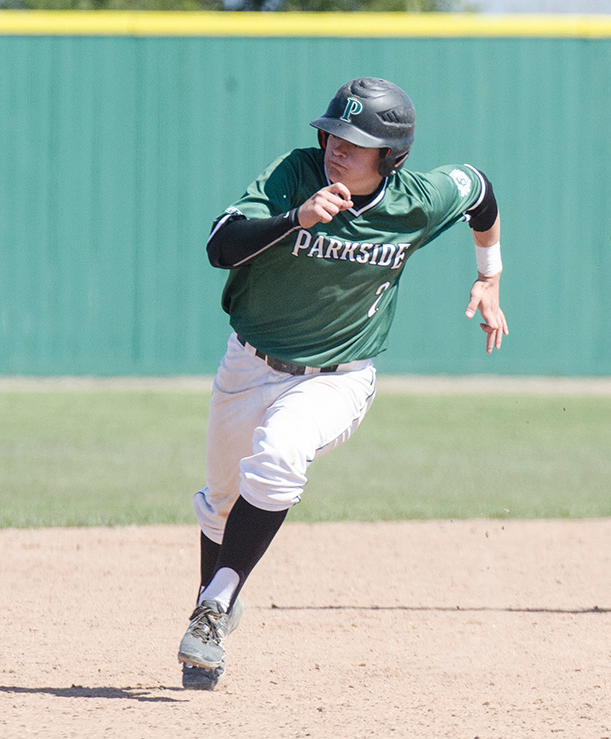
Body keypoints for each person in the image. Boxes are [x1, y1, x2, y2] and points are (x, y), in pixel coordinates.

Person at [176, 77, 508, 688]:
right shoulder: (294, 175)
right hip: (249, 363)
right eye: (335, 133)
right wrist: (294, 217)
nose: (338, 147)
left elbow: (480, 190)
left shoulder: (418, 199)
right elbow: (219, 246)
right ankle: (213, 600)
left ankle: (215, 605)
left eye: (358, 141)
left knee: (278, 458)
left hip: (339, 378)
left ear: (392, 155)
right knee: (220, 507)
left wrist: (489, 272)